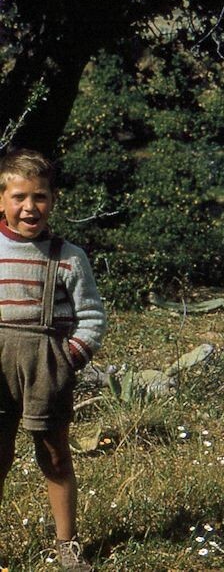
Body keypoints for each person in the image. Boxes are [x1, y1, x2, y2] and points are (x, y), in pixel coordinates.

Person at [0, 149, 107, 572]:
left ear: (53, 200)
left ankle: (67, 546)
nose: (30, 207)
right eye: (20, 196)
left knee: (56, 455)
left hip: (47, 364)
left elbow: (93, 316)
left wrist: (68, 359)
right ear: (2, 200)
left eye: (40, 197)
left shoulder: (68, 256)